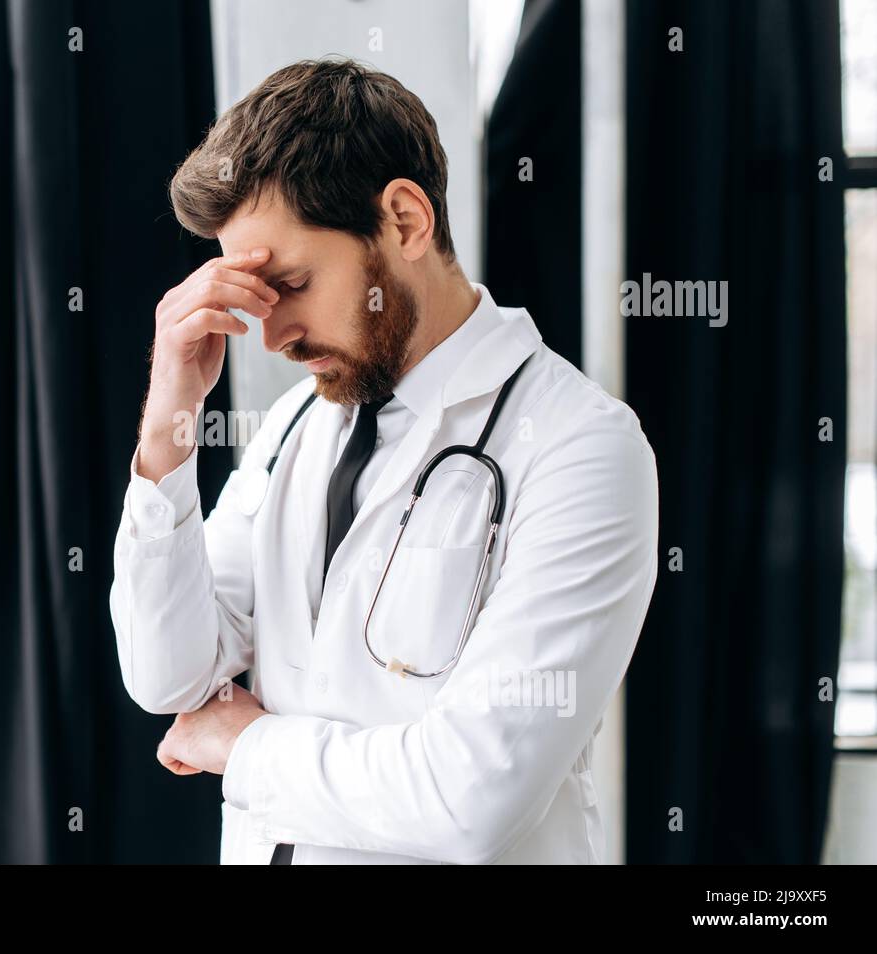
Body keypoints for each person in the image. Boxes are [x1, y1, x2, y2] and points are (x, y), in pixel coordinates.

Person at [109, 58, 659, 864]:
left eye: (291, 283)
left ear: (404, 220)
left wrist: (249, 746)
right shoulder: (296, 423)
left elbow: (470, 796)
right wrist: (167, 431)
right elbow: (168, 677)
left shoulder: (583, 448)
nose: (273, 337)